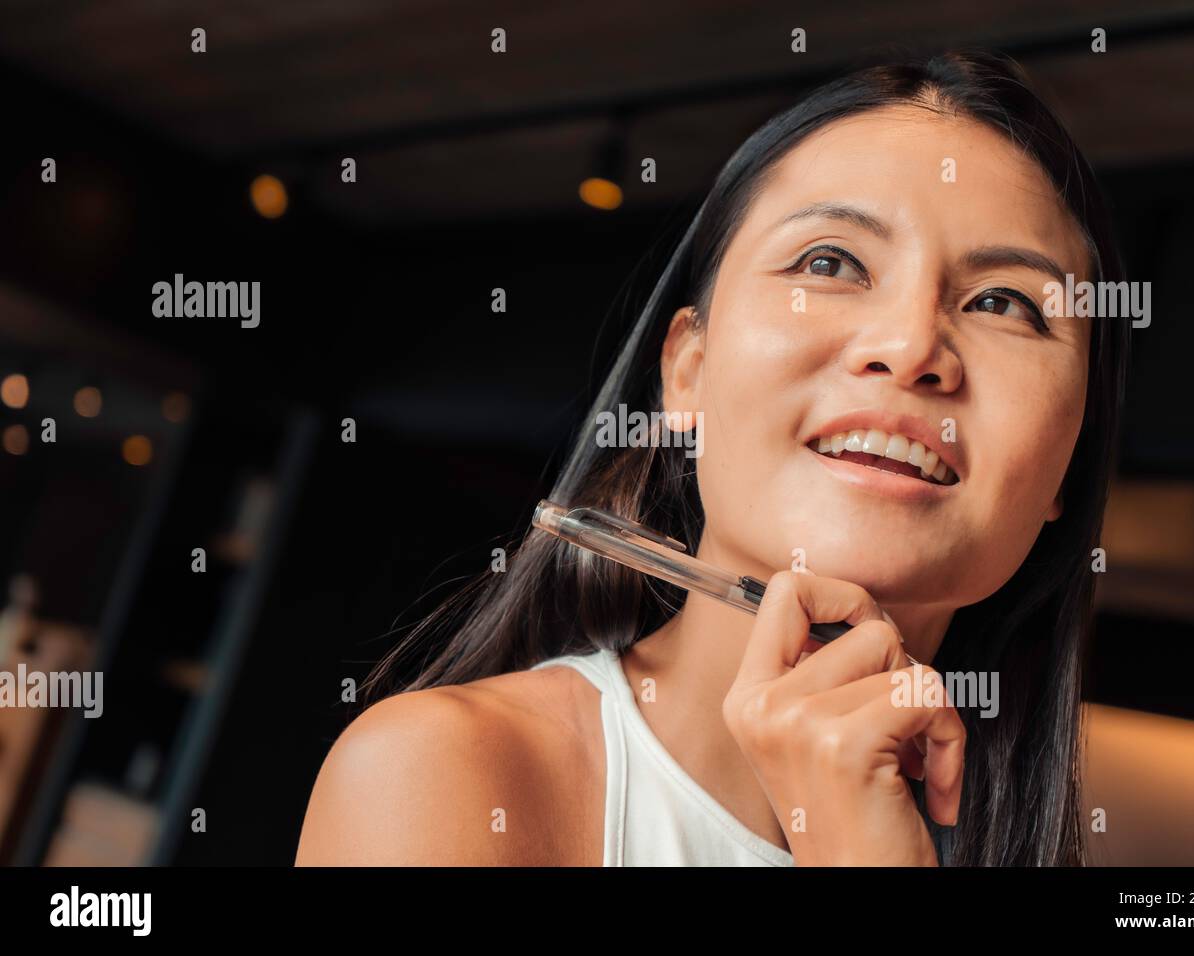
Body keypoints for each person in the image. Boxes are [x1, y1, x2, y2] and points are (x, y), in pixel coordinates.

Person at [296, 49, 1129, 867]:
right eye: (829, 263)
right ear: (688, 371)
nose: (910, 347)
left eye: (1004, 303)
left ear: (1072, 460)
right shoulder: (445, 773)